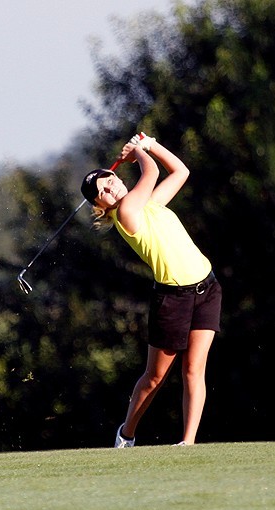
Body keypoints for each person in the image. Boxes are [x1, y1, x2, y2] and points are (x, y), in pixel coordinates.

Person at [80, 133, 221, 447]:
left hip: (207, 288)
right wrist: (139, 151)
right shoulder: (125, 214)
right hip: (173, 299)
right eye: (103, 191)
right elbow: (152, 171)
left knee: (193, 369)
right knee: (155, 377)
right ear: (100, 205)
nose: (110, 188)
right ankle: (126, 433)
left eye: (110, 180)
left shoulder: (150, 205)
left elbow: (181, 171)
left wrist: (153, 144)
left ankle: (187, 443)